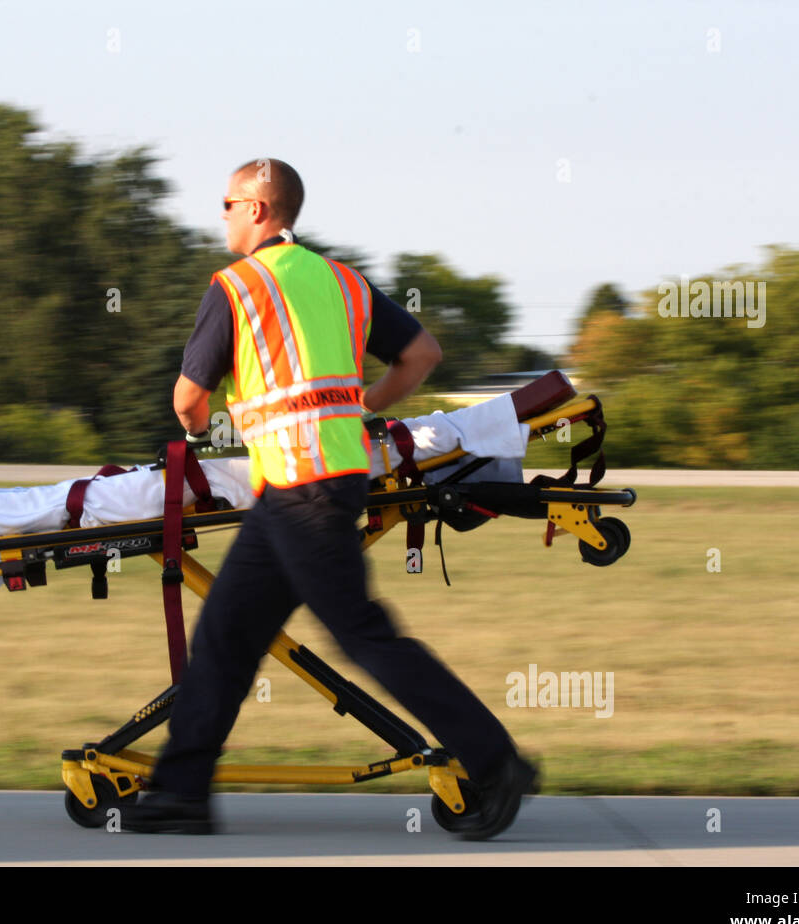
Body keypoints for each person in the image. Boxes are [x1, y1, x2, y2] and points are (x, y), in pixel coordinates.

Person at [120, 158, 537, 838]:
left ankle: (495, 760)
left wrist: (198, 429)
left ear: (258, 209)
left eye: (227, 202)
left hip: (300, 491)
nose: (220, 213)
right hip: (321, 483)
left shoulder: (237, 287)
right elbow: (422, 354)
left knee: (363, 634)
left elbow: (189, 399)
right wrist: (363, 406)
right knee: (227, 632)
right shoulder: (342, 281)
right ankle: (181, 792)